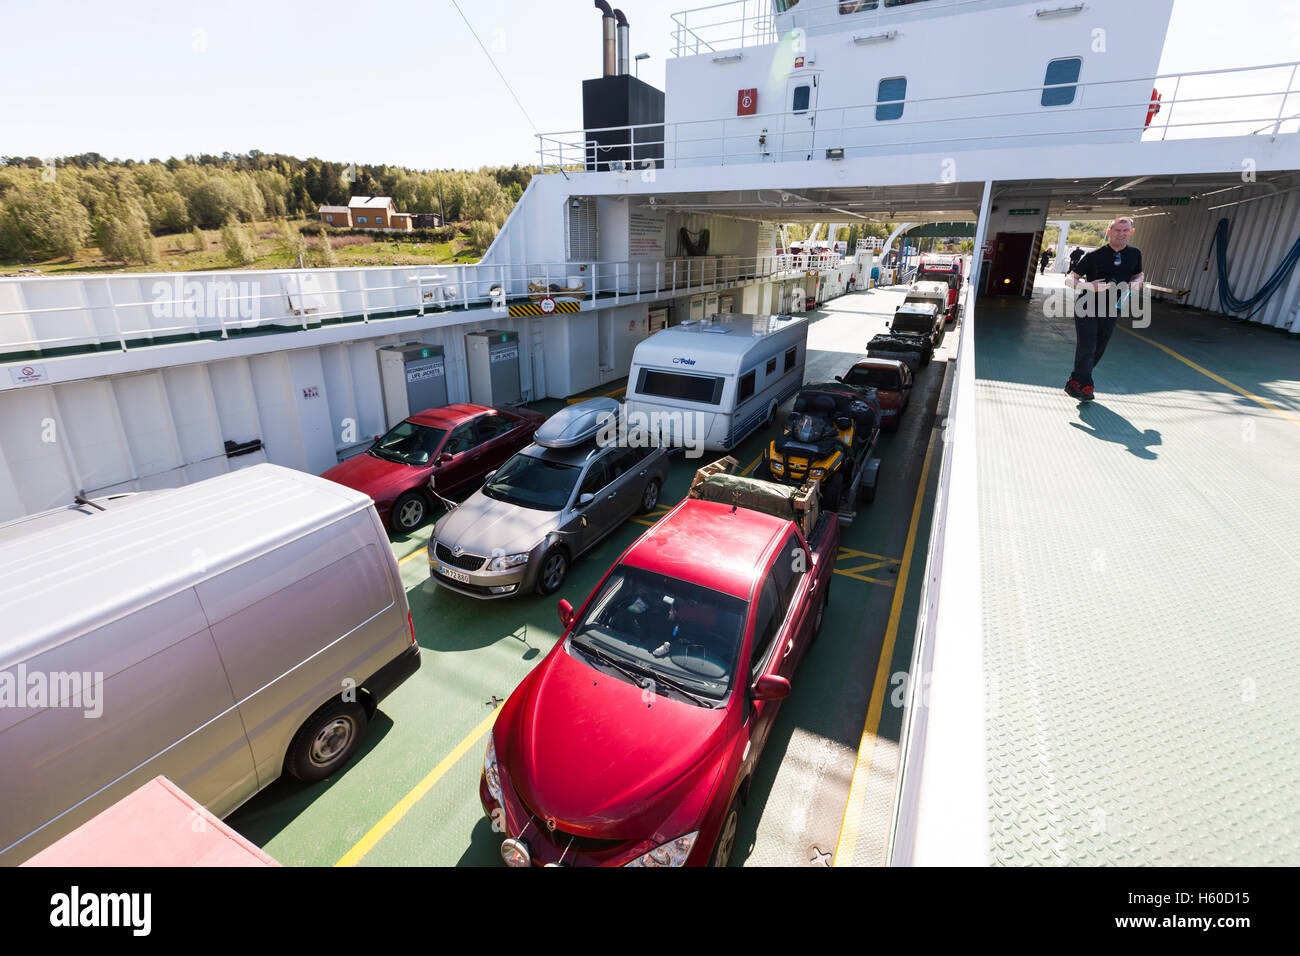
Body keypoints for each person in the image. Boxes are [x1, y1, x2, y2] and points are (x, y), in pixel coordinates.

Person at [1064, 218, 1144, 401]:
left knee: (1100, 347)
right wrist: (1089, 285)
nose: (1121, 233)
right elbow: (1070, 279)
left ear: (1131, 232)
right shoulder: (1094, 255)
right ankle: (1086, 385)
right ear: (1110, 232)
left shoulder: (1135, 254)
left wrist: (1137, 283)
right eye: (1117, 230)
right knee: (1088, 345)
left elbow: (1139, 275)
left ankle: (1075, 381)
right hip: (1087, 306)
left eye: (1125, 230)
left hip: (1112, 307)